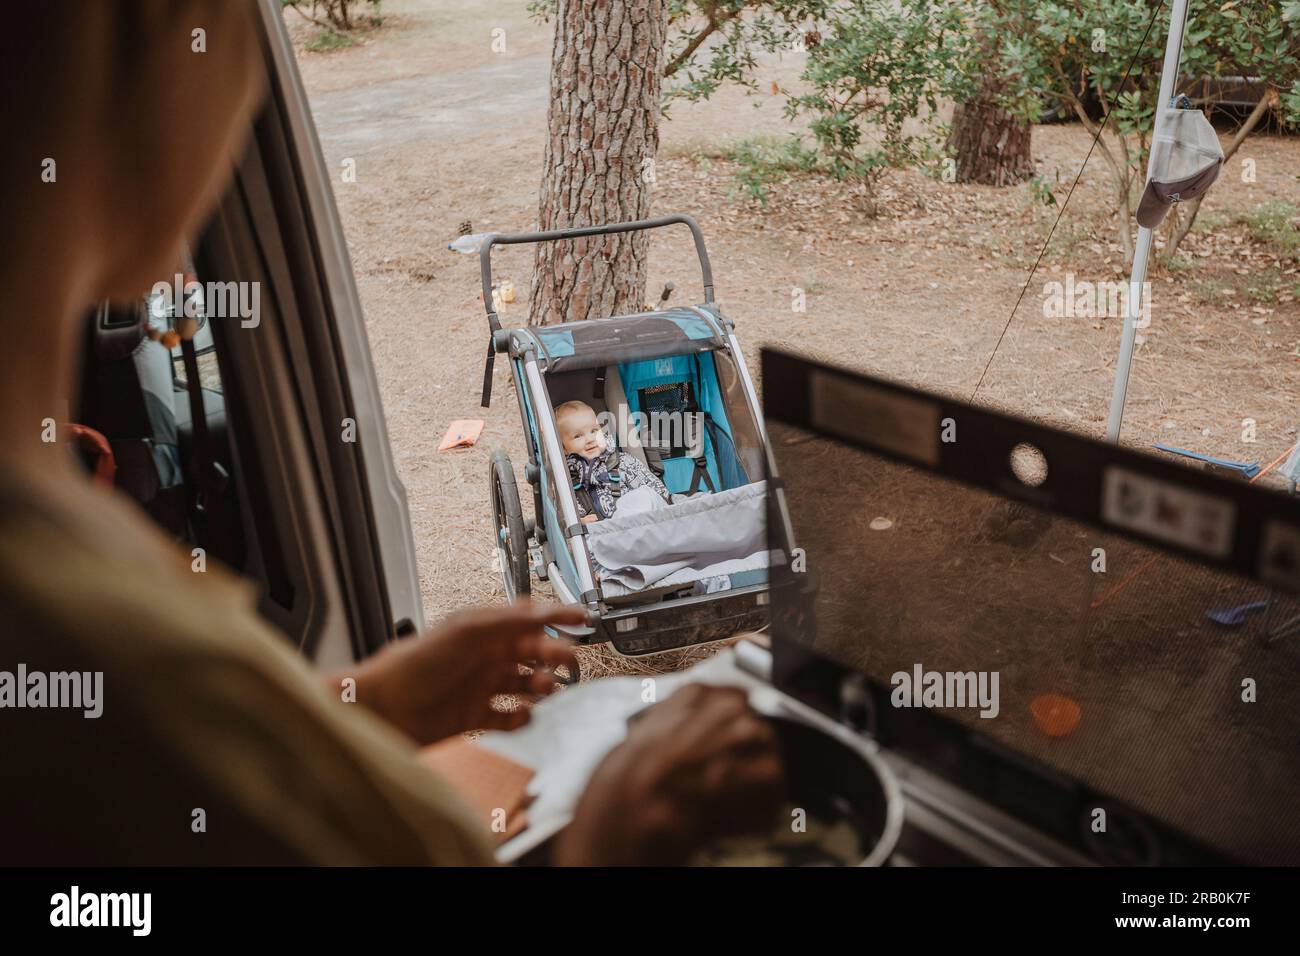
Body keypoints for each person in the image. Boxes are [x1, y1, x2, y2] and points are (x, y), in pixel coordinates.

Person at [0, 2, 782, 866]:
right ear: (137, 66)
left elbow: (162, 782)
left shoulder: (73, 558)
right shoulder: (115, 642)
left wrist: (355, 705)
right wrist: (611, 834)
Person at [556, 400, 670, 523]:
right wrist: (581, 521)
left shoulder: (624, 462)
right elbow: (568, 518)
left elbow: (659, 493)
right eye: (578, 436)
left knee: (643, 495)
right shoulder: (567, 481)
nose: (590, 439)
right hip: (605, 536)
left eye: (594, 431)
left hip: (643, 523)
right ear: (564, 448)